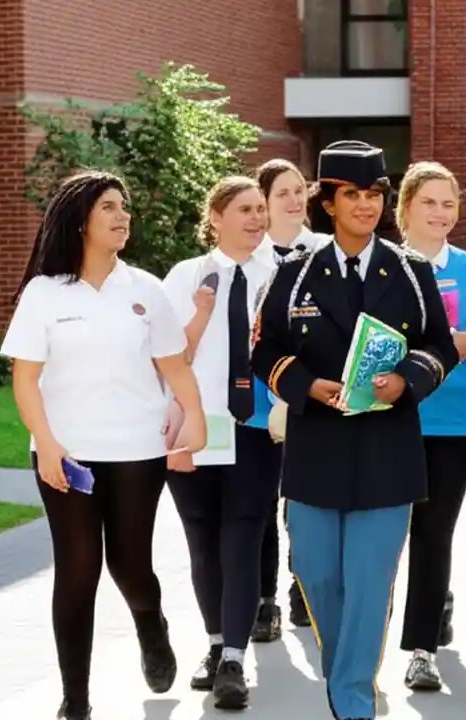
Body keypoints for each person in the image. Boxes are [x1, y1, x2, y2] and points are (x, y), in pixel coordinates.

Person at [250, 140, 458, 720]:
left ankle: (352, 701)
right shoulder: (294, 275)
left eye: (374, 195)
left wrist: (406, 380)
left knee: (369, 588)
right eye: (352, 196)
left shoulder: (413, 272)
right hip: (316, 450)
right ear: (328, 203)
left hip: (388, 455)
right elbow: (263, 349)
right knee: (314, 572)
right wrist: (305, 385)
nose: (366, 206)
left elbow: (441, 347)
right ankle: (352, 678)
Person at [1, 170, 207, 720]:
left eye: (125, 207)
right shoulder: (45, 293)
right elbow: (25, 379)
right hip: (65, 452)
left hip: (138, 450)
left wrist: (196, 417)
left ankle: (151, 625)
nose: (122, 216)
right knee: (78, 569)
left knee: (130, 564)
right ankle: (76, 698)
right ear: (81, 219)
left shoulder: (146, 289)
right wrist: (46, 444)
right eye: (110, 207)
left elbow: (173, 364)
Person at [160, 176, 282, 708]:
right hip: (195, 426)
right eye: (245, 210)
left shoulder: (282, 274)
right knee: (203, 541)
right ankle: (214, 644)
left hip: (255, 427)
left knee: (244, 538)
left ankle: (235, 657)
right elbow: (167, 357)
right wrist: (202, 313)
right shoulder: (185, 276)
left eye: (261, 209)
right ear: (215, 216)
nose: (257, 219)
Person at [392, 161, 466, 690]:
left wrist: (436, 345)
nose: (440, 212)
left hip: (451, 426)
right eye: (429, 202)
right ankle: (428, 606)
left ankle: (421, 650)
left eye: (448, 203)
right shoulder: (383, 266)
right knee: (389, 538)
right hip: (385, 421)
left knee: (432, 534)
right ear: (405, 208)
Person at [252, 157, 324, 636]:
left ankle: (304, 589)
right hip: (256, 400)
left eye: (301, 190)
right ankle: (264, 601)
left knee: (301, 500)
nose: (296, 200)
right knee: (258, 504)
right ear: (263, 202)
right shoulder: (247, 255)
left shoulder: (324, 252)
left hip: (310, 397)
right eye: (284, 193)